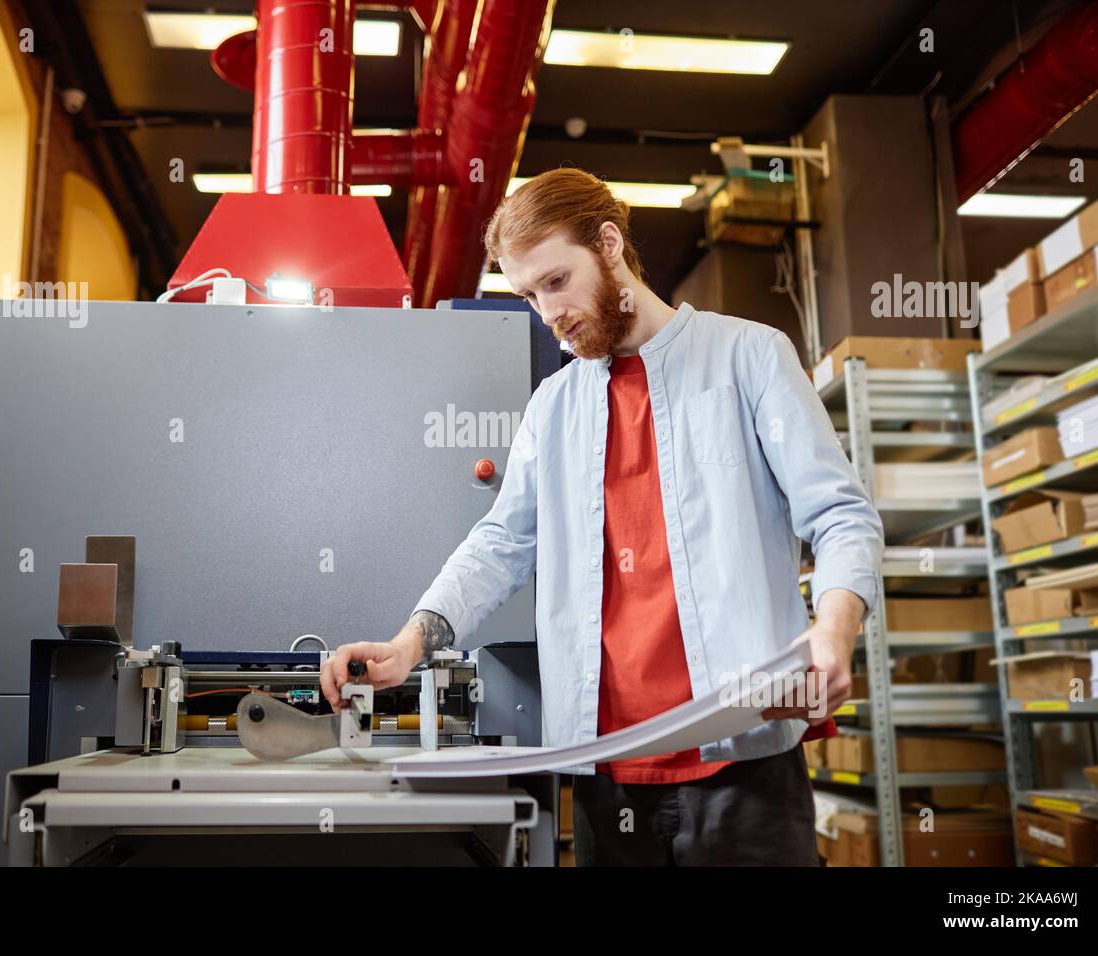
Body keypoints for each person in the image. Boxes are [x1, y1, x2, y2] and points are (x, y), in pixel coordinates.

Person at [319, 167, 884, 865]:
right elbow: (499, 544)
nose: (547, 312)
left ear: (609, 244)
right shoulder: (553, 408)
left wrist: (834, 629)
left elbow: (840, 515)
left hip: (744, 763)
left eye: (556, 282)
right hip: (605, 772)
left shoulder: (748, 358)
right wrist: (410, 643)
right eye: (528, 295)